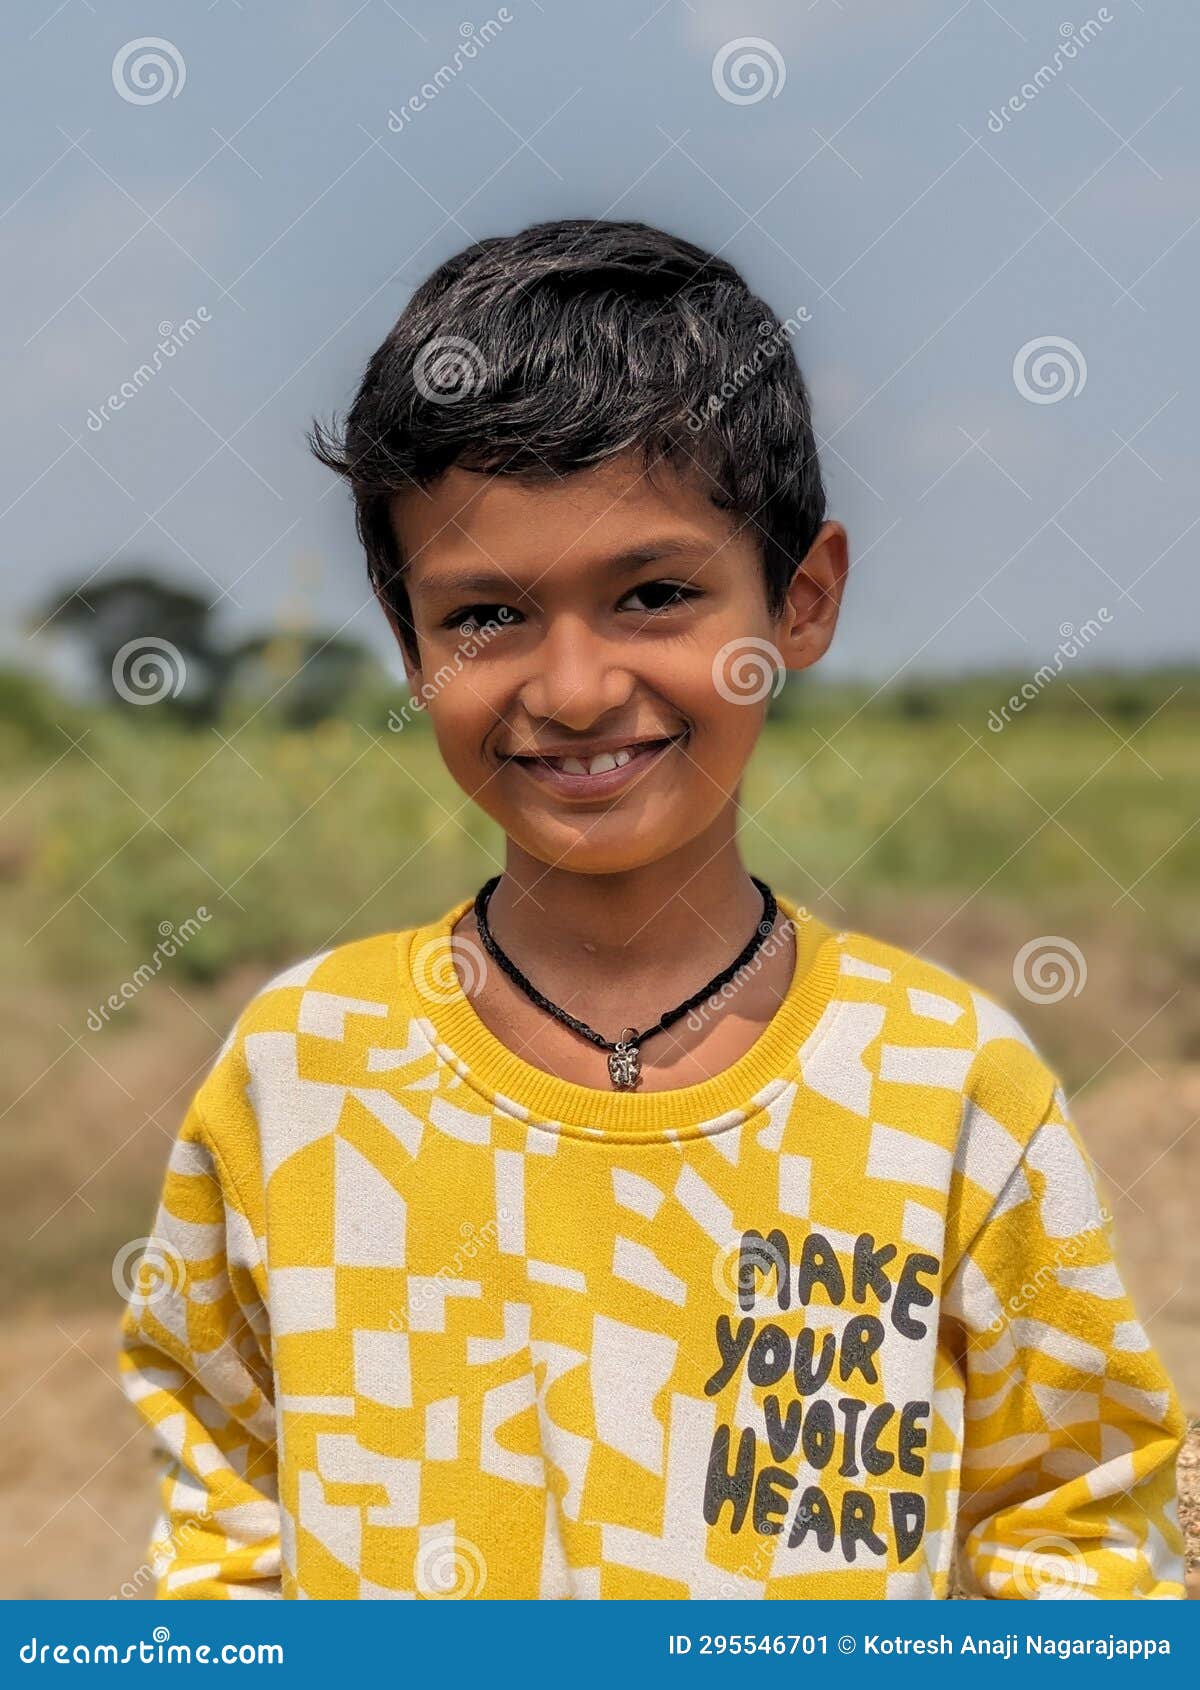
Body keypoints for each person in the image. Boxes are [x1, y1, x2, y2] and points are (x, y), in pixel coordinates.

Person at [116, 219, 1186, 1600]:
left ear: (800, 600)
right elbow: (226, 1524)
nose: (571, 687)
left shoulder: (945, 1087)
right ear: (409, 643)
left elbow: (1079, 1524)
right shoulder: (300, 1073)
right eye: (485, 615)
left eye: (655, 595)